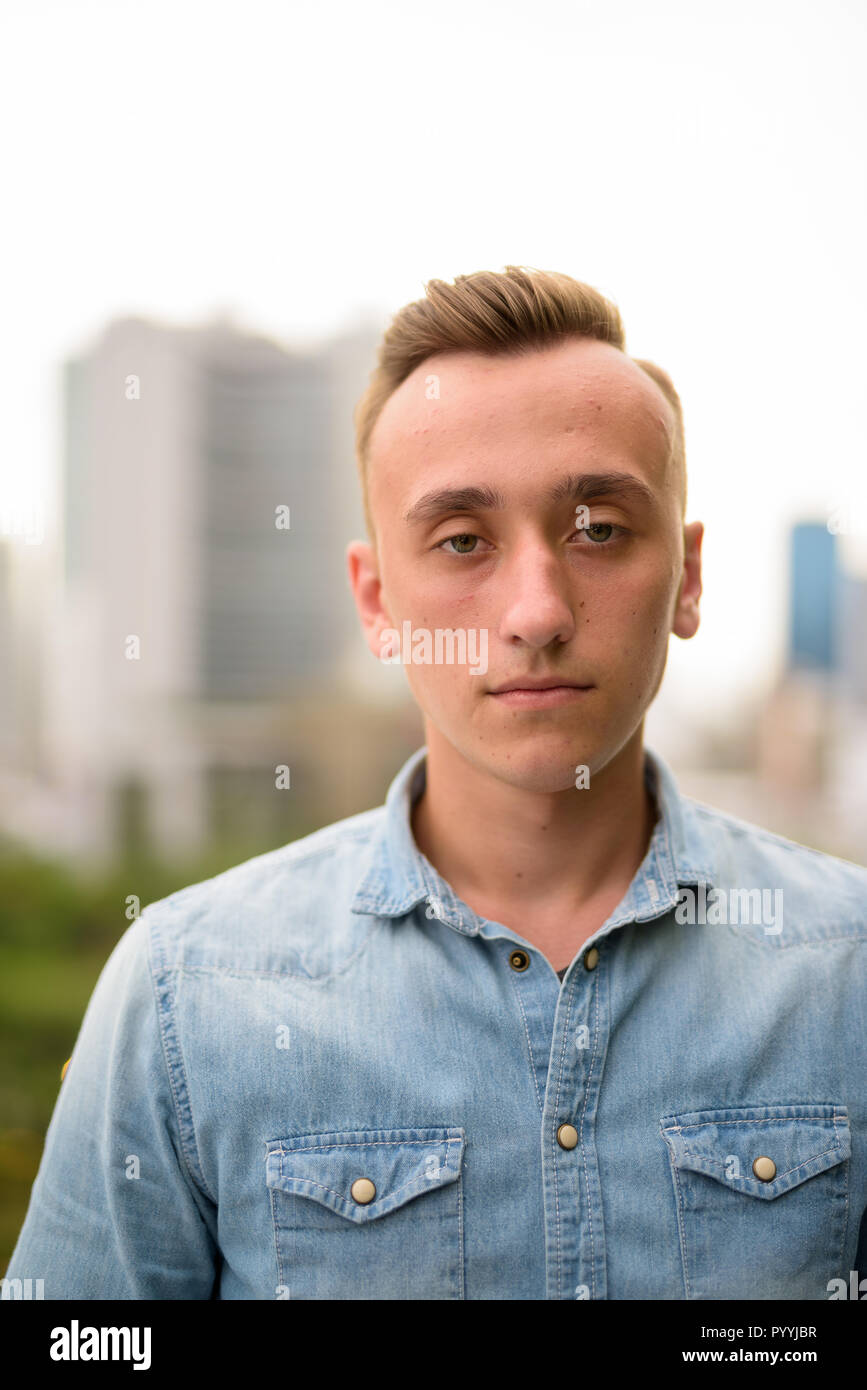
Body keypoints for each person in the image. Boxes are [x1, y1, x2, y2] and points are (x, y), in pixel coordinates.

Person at [6, 266, 865, 1300]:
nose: (536, 610)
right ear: (377, 601)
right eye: (462, 540)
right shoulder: (186, 997)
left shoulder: (847, 976)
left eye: (598, 526)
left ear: (687, 577)